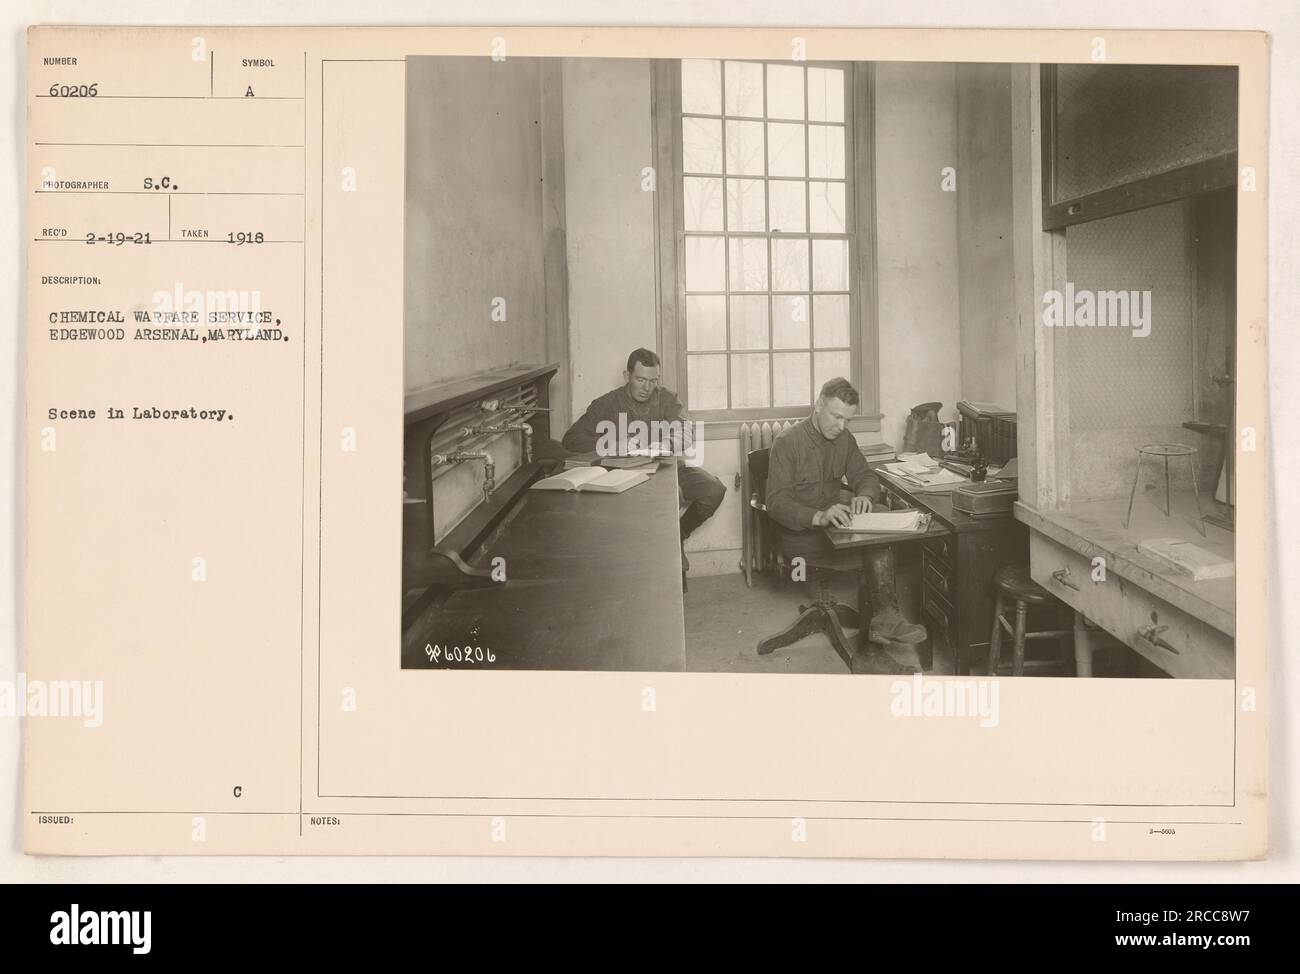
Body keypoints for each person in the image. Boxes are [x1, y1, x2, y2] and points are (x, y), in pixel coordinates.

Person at [765, 377, 927, 648]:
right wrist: (819, 516)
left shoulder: (844, 439)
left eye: (847, 420)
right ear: (818, 405)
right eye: (836, 416)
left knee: (880, 513)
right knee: (876, 542)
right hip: (801, 534)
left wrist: (864, 495)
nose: (841, 426)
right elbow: (776, 502)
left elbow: (864, 474)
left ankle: (884, 619)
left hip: (837, 525)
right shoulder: (787, 442)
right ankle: (884, 619)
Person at [563, 348, 726, 565]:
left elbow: (685, 429)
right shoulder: (606, 403)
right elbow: (571, 439)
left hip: (666, 468)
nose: (647, 388)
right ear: (626, 376)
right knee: (663, 504)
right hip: (624, 475)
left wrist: (667, 444)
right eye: (640, 379)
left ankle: (678, 535)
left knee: (714, 489)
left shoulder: (667, 398)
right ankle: (663, 556)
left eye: (653, 380)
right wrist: (612, 445)